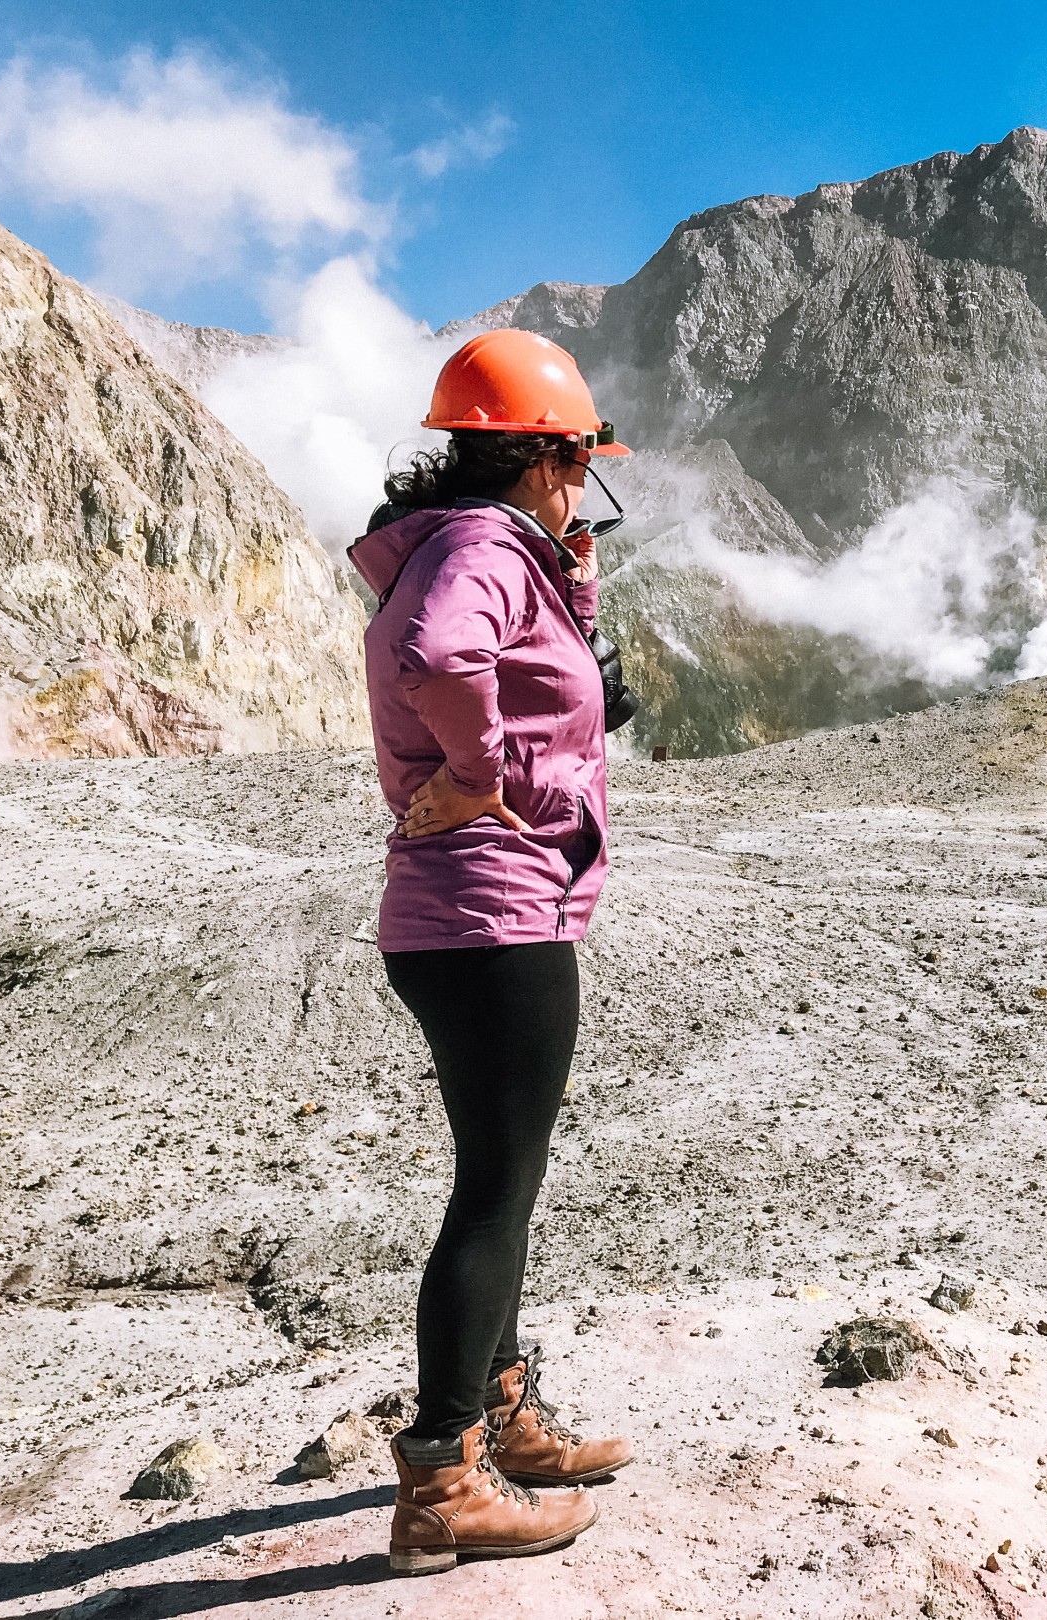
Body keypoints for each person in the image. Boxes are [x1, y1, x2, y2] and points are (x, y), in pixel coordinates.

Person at [347, 329, 635, 1576]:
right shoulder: (481, 547)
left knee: (500, 1174)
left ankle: (501, 1416)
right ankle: (445, 1474)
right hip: (489, 914)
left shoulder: (494, 548)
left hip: (469, 912)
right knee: (496, 1188)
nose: (586, 490)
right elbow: (435, 659)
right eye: (580, 463)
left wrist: (569, 708)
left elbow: (480, 664)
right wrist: (489, 771)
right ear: (539, 458)